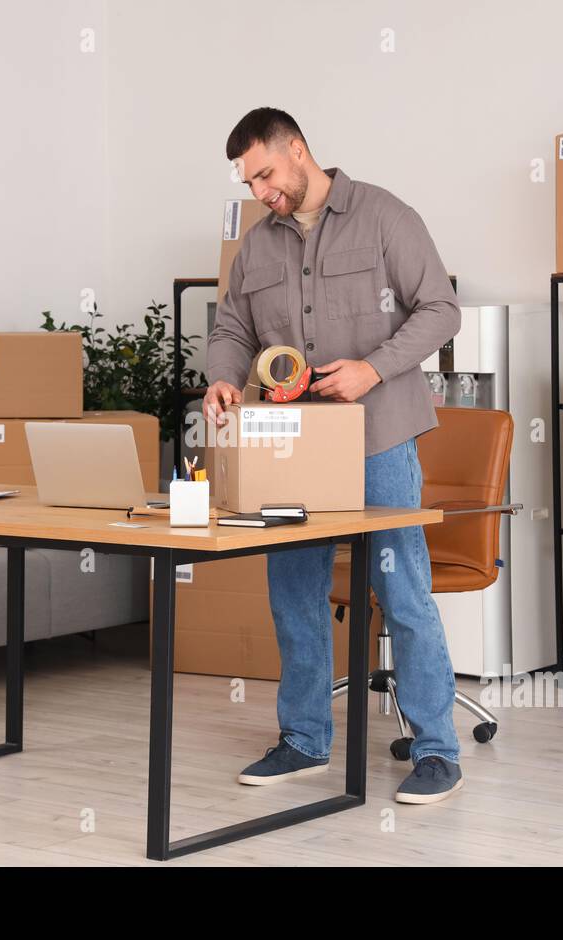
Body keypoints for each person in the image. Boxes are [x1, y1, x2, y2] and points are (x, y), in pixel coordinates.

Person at [204, 107, 464, 804]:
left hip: (379, 434)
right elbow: (231, 325)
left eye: (264, 173)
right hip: (292, 447)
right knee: (293, 591)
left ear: (298, 150)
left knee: (400, 587)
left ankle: (437, 748)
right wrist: (224, 376)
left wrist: (373, 369)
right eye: (248, 181)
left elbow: (440, 309)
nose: (259, 191)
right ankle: (304, 740)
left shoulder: (383, 215)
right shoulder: (257, 247)